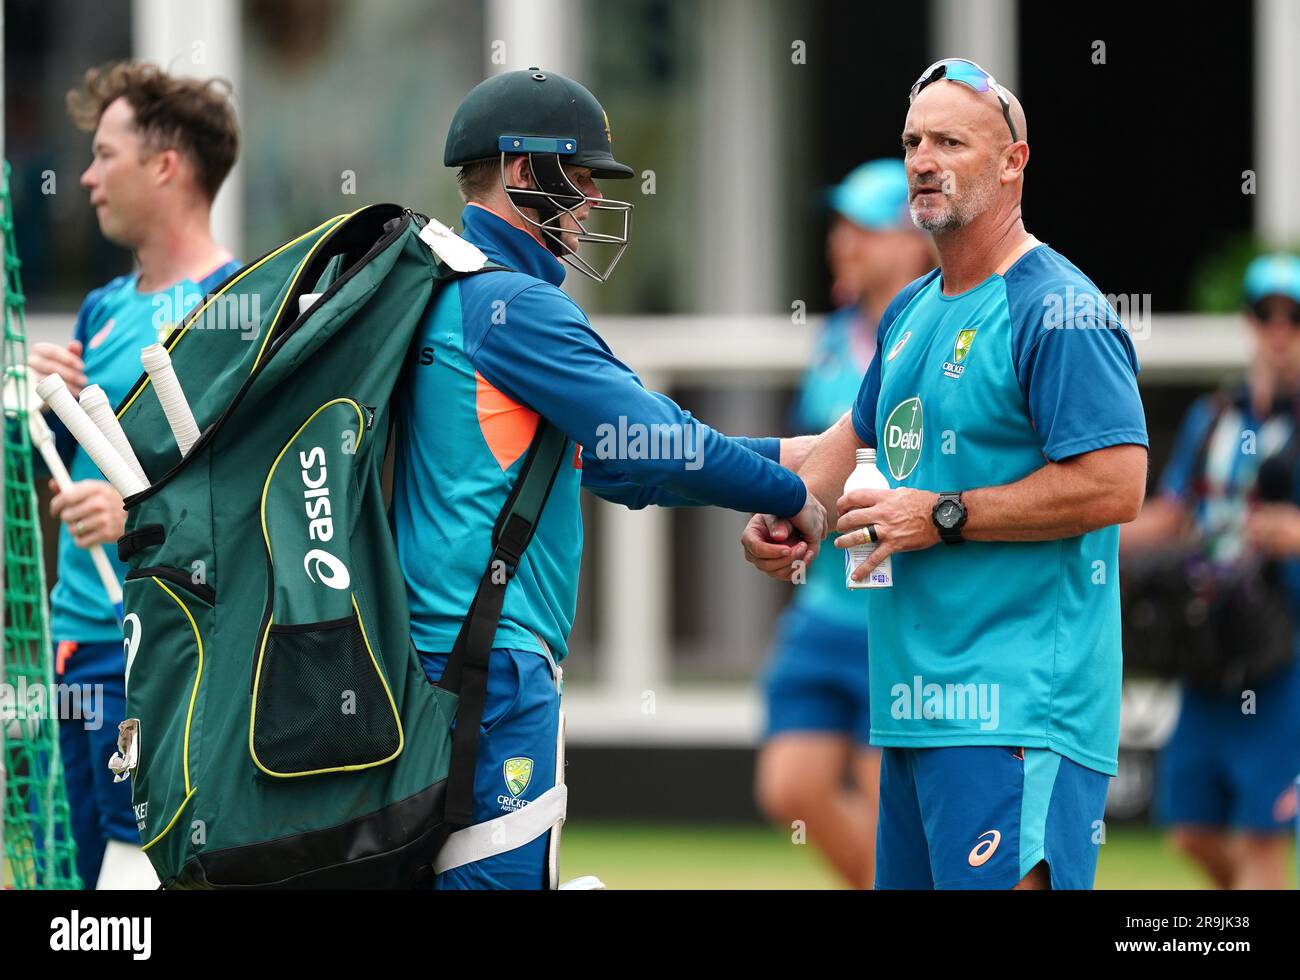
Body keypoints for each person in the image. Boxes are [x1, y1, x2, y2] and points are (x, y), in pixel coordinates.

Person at [395, 67, 826, 889]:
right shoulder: (513, 304)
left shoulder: (434, 287)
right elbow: (656, 442)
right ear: (524, 171)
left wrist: (781, 458)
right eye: (581, 174)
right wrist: (796, 498)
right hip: (493, 667)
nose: (592, 199)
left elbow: (620, 462)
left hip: (423, 662)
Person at [741, 58, 1149, 889]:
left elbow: (1117, 485)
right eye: (913, 141)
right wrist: (784, 510)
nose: (923, 159)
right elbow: (841, 447)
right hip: (917, 709)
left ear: (1013, 163)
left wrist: (945, 514)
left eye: (951, 141)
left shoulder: (1056, 307)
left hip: (1019, 713)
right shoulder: (910, 310)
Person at [27, 61, 241, 889]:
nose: (84, 175)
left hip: (155, 654)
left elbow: (247, 494)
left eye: (105, 153)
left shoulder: (232, 307)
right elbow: (73, 470)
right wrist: (46, 408)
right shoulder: (103, 307)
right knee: (58, 880)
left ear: (165, 165)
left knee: (133, 880)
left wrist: (132, 515)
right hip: (68, 650)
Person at [754, 159, 933, 888]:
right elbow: (811, 457)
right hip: (824, 605)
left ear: (914, 240)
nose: (845, 244)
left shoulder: (940, 336)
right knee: (789, 787)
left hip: (897, 612)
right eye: (841, 227)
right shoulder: (830, 338)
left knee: (889, 798)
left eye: (866, 229)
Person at [1121, 253, 1300, 889]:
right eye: (1265, 316)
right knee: (1190, 830)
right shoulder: (1216, 416)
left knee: (1261, 840)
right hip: (1211, 642)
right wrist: (1083, 536)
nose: (1279, 332)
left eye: (1294, 318)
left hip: (1285, 653)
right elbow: (1173, 513)